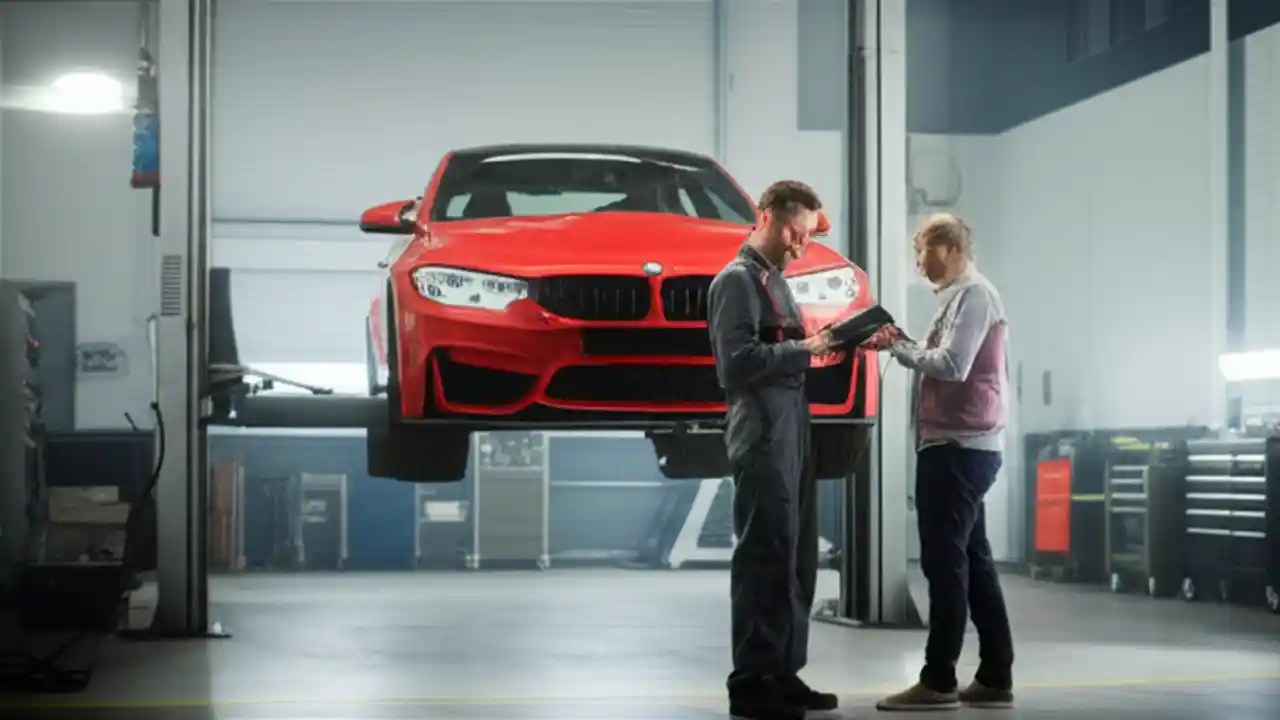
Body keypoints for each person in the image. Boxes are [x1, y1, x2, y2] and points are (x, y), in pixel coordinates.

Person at [866, 212, 1016, 712]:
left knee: (943, 562)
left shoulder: (975, 296)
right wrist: (902, 343)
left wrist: (902, 348)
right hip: (957, 447)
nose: (918, 262)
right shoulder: (959, 299)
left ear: (949, 247)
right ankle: (995, 675)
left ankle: (938, 679)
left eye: (922, 250)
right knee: (972, 560)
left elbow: (954, 364)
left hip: (959, 449)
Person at [706, 180, 838, 720]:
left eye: (806, 236)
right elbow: (734, 363)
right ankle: (751, 680)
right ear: (763, 217)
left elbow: (785, 350)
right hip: (761, 431)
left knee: (797, 555)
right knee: (764, 555)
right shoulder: (734, 282)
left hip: (793, 430)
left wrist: (836, 344)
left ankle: (784, 672)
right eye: (792, 231)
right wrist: (804, 348)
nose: (798, 245)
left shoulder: (778, 282)